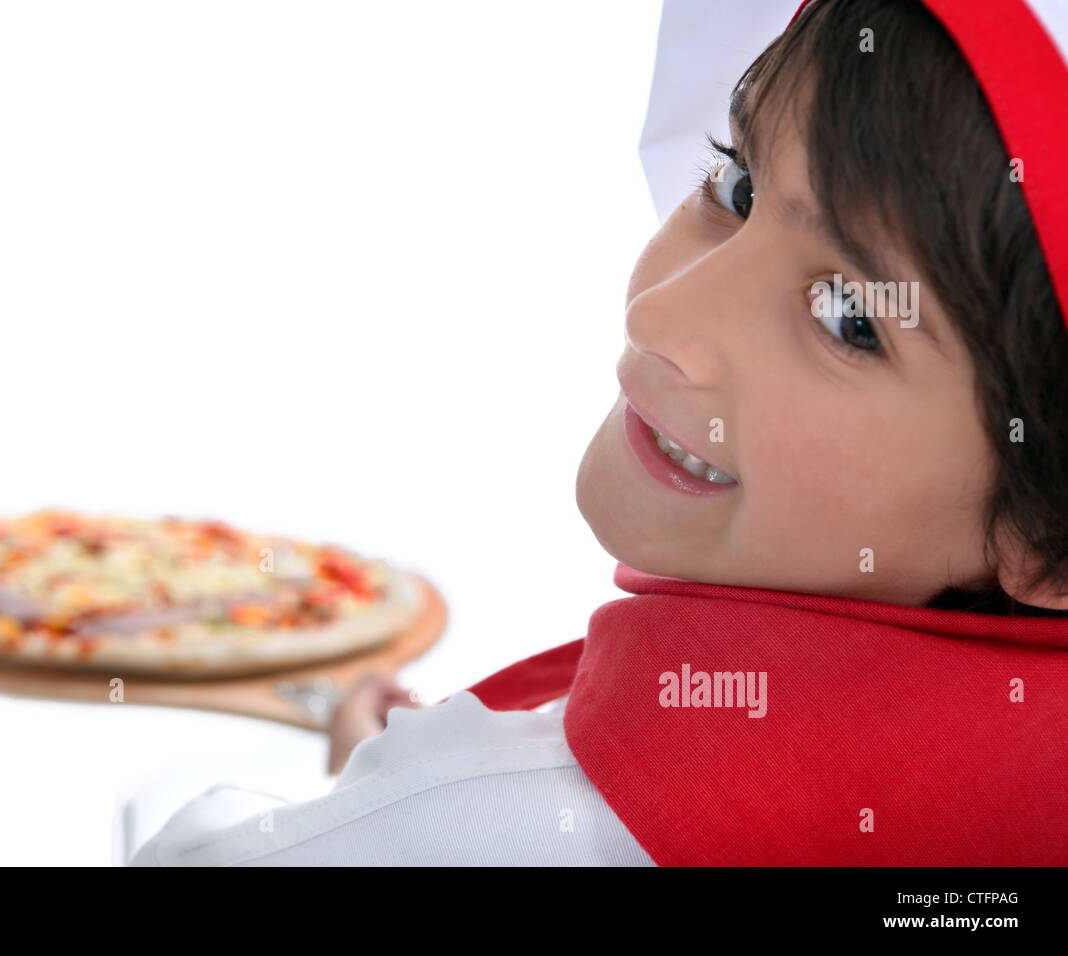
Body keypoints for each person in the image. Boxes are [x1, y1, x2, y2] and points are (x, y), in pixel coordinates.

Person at [130, 0, 1068, 865]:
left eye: (850, 318)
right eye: (737, 188)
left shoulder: (504, 818)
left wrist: (363, 794)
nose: (664, 316)